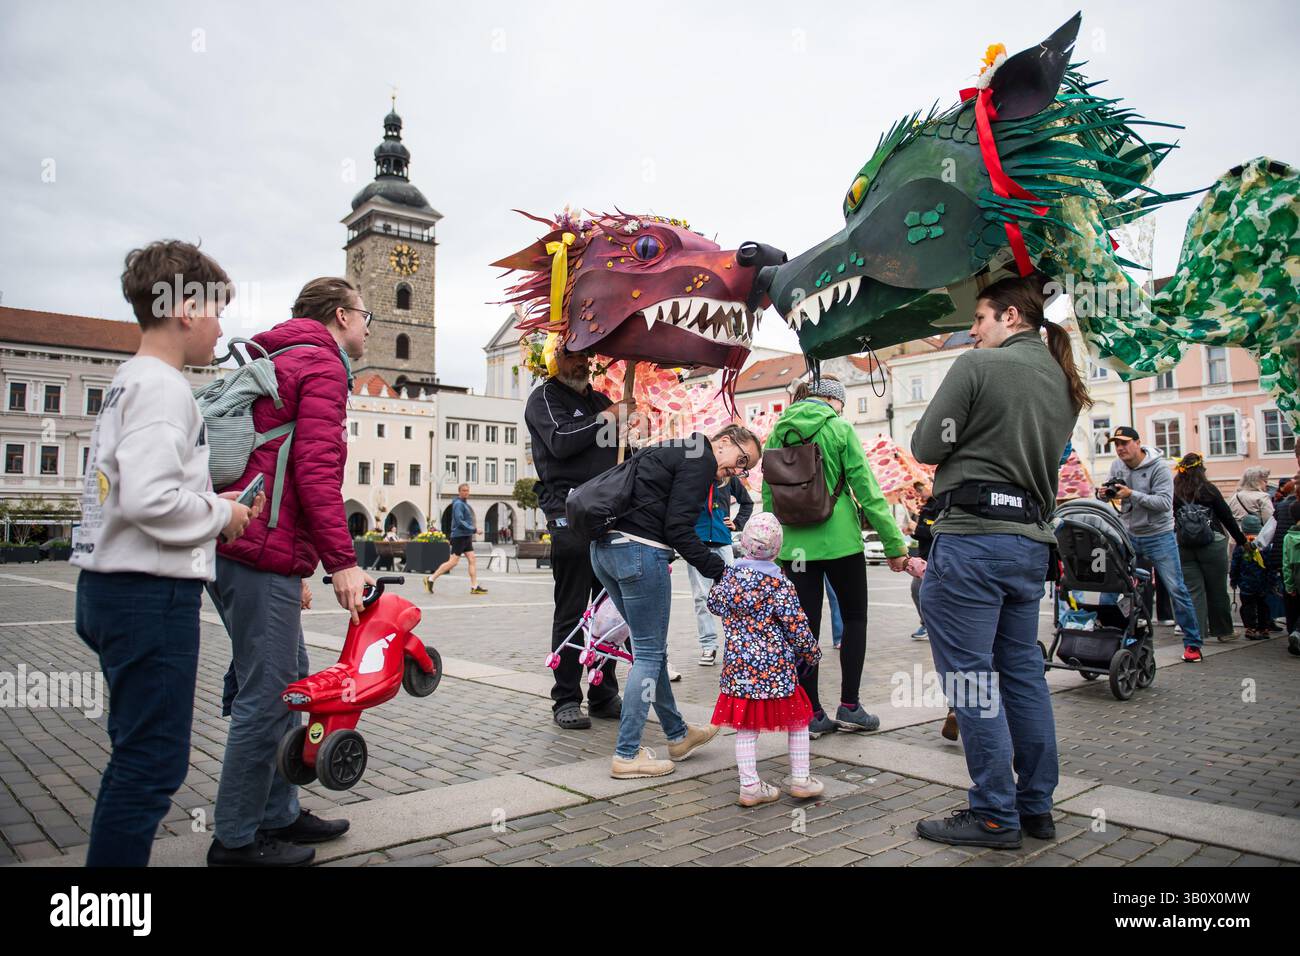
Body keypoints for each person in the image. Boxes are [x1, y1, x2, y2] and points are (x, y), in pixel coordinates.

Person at [71, 241, 261, 867]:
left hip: (111, 587)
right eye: (215, 311)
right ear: (183, 307)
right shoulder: (163, 389)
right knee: (151, 766)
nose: (220, 327)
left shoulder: (131, 381)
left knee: (134, 754)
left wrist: (205, 500)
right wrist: (223, 514)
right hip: (147, 594)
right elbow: (149, 499)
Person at [911, 273, 1084, 850]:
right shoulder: (1064, 382)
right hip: (1028, 543)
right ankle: (1035, 806)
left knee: (972, 680)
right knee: (1023, 677)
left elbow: (926, 447)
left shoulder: (976, 367)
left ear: (1010, 317)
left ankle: (992, 814)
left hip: (973, 539)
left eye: (979, 319)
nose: (973, 330)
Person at [206, 276, 372, 867]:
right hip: (255, 549)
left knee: (291, 679)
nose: (368, 326)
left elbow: (274, 463)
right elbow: (315, 472)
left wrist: (297, 563)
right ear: (340, 316)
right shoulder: (322, 366)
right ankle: (235, 840)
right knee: (270, 696)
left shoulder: (275, 355)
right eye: (364, 314)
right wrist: (341, 564)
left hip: (243, 547)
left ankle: (279, 815)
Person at [592, 425, 761, 778]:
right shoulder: (700, 459)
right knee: (650, 654)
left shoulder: (674, 448)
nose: (738, 471)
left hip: (605, 551)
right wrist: (722, 571)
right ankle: (626, 754)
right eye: (741, 460)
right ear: (725, 441)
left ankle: (678, 734)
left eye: (746, 469)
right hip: (640, 552)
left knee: (650, 650)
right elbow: (679, 530)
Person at [761, 377, 909, 738]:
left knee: (803, 628)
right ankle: (850, 706)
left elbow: (768, 494)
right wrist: (894, 544)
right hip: (842, 542)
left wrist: (773, 550)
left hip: (795, 546)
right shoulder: (840, 428)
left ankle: (811, 713)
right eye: (839, 403)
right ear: (831, 400)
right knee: (855, 619)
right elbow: (867, 490)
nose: (840, 409)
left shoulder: (776, 433)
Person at [524, 347, 623, 730]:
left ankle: (603, 692)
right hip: (567, 514)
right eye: (571, 356)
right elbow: (562, 441)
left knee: (606, 609)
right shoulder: (544, 398)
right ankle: (565, 698)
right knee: (572, 609)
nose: (581, 363)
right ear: (554, 360)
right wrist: (608, 418)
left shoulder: (601, 399)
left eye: (585, 358)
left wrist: (631, 428)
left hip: (608, 515)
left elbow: (621, 452)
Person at [707, 513, 824, 805]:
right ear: (778, 549)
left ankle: (749, 786)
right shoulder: (780, 585)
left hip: (739, 669)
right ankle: (801, 780)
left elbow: (713, 604)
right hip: (776, 670)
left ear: (744, 543)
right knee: (798, 721)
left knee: (747, 728)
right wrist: (812, 653)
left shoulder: (730, 577)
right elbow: (796, 626)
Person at [1104, 426, 1206, 661]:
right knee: (1124, 588)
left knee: (1176, 589)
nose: (1120, 448)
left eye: (1124, 443)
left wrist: (1131, 494)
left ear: (1138, 443)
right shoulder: (1116, 465)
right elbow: (1116, 492)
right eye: (1116, 444)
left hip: (1159, 535)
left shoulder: (1159, 467)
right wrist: (1105, 494)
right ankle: (1129, 635)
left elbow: (1163, 503)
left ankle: (1192, 644)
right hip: (1129, 534)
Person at [1172, 453, 1248, 644]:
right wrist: (1242, 541)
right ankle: (1223, 631)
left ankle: (1196, 634)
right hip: (1211, 542)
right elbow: (1227, 517)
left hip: (1184, 545)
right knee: (1217, 589)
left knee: (1192, 591)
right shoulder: (1208, 490)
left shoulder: (1175, 492)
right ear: (1201, 470)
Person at [687, 474, 752, 666]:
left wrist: (737, 523)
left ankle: (738, 643)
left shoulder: (729, 478)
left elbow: (746, 502)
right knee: (701, 597)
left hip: (723, 542)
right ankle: (709, 645)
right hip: (697, 544)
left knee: (734, 595)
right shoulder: (693, 476)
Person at [424, 484, 487, 595]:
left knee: (472, 559)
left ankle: (474, 586)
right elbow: (459, 521)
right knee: (453, 562)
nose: (466, 492)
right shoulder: (458, 504)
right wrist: (474, 530)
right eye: (463, 490)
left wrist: (470, 531)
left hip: (466, 536)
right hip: (459, 537)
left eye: (467, 490)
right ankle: (430, 579)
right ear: (459, 492)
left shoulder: (463, 503)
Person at [1231, 516, 1275, 639]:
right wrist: (1272, 581)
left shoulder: (1241, 546)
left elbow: (1235, 564)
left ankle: (1251, 627)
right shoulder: (1264, 546)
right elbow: (1270, 565)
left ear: (1243, 530)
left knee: (1248, 606)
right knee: (1263, 606)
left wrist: (1233, 580)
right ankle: (1264, 628)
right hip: (1263, 583)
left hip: (1246, 583)